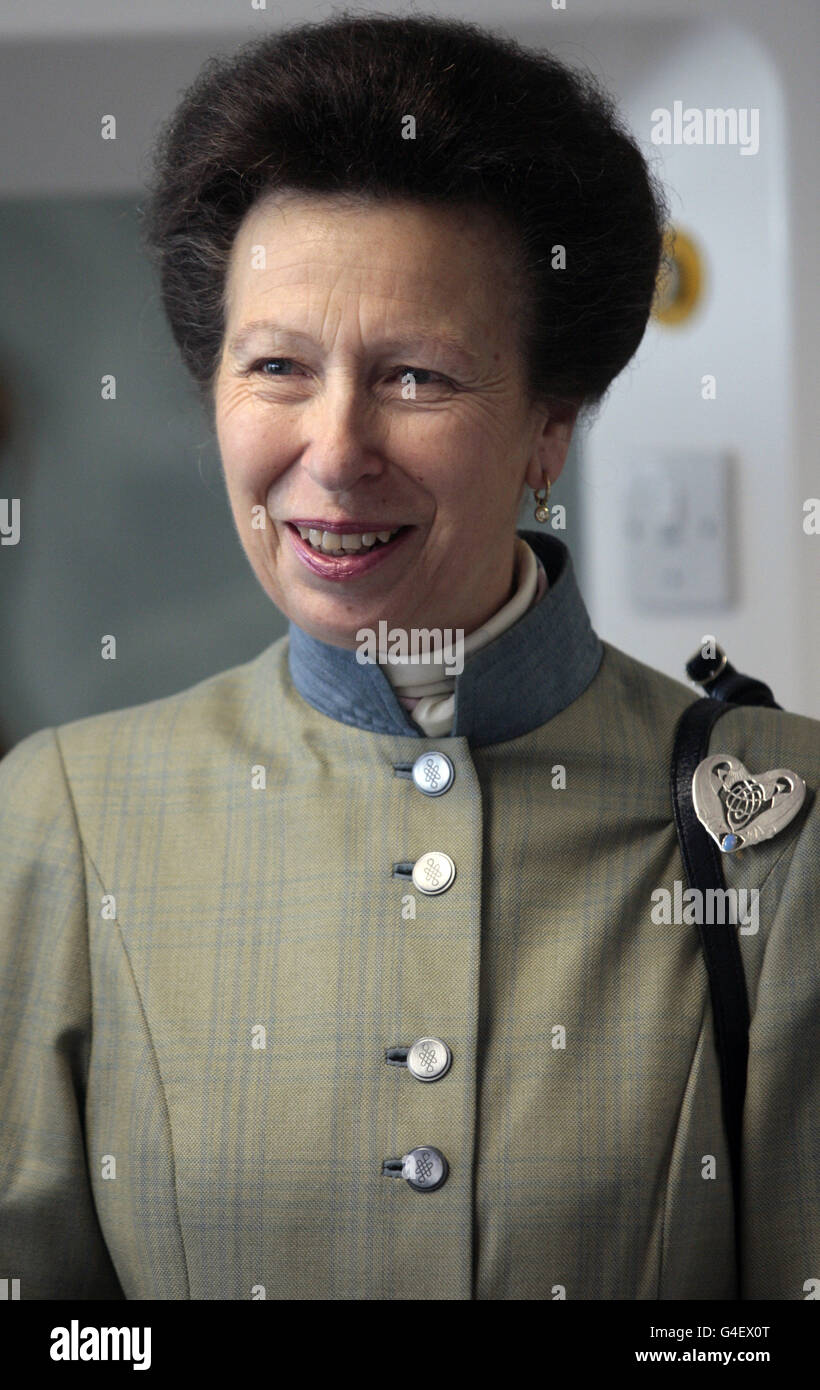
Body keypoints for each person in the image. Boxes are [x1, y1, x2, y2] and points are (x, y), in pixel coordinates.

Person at [0, 12, 816, 1302]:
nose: (333, 450)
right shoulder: (59, 819)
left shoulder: (780, 822)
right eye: (275, 365)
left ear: (552, 425)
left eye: (419, 377)